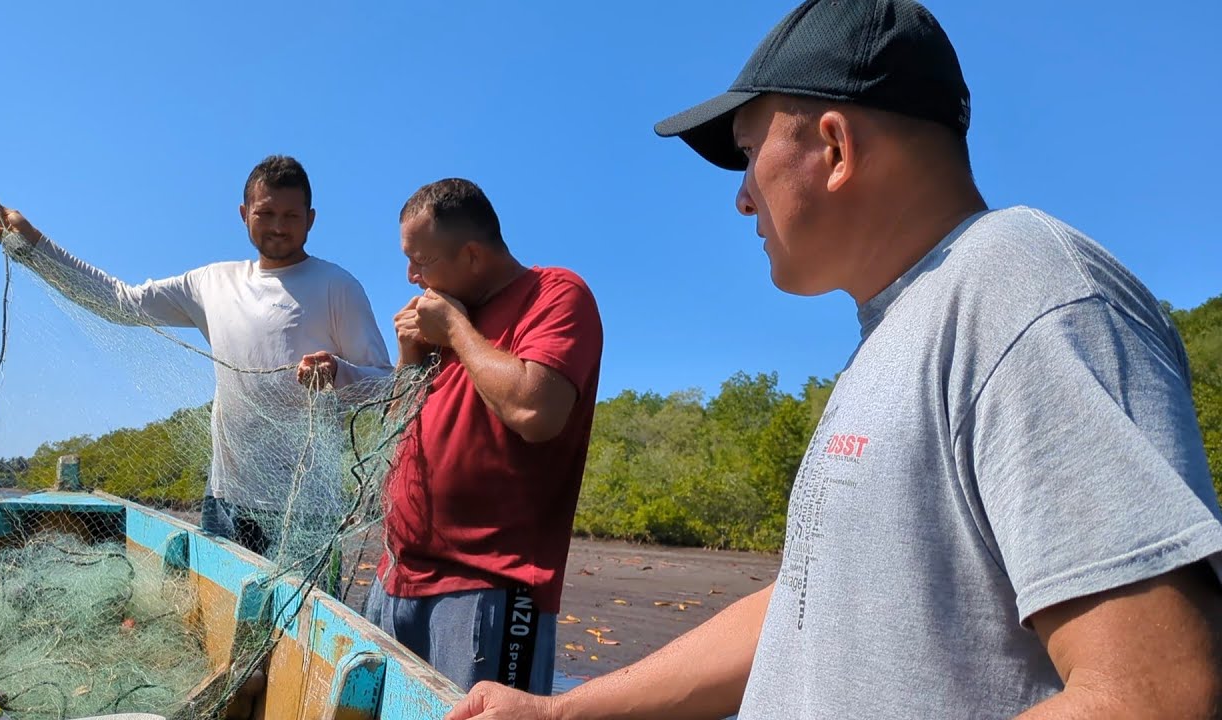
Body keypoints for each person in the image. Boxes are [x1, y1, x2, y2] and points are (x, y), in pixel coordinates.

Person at [445, 1, 1222, 718]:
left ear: (834, 145)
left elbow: (1155, 691)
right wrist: (559, 711)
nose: (743, 197)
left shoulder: (1024, 291)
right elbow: (804, 608)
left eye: (749, 154)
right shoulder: (900, 329)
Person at [0, 155, 393, 559]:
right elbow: (121, 302)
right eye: (266, 212)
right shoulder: (213, 283)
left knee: (301, 625)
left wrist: (338, 373)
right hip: (225, 499)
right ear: (244, 213)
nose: (279, 226)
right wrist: (33, 246)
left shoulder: (338, 287)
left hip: (307, 510)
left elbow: (384, 383)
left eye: (292, 215)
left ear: (312, 218)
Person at [348, 178, 603, 695]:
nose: (411, 276)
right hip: (396, 576)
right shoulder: (442, 318)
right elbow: (402, 438)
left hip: (486, 586)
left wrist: (458, 331)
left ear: (471, 256)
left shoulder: (555, 294)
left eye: (421, 261)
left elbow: (537, 410)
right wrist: (411, 358)